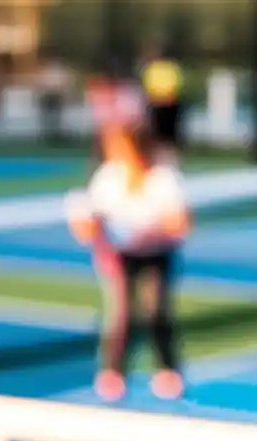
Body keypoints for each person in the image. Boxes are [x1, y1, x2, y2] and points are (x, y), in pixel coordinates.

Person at [66, 128, 188, 402]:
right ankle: (113, 372)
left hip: (157, 255)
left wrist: (150, 234)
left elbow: (180, 223)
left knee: (156, 310)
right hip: (120, 256)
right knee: (121, 313)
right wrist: (90, 228)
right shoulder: (108, 179)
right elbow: (90, 223)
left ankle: (168, 369)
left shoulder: (163, 179)